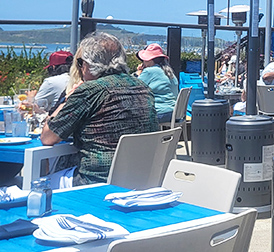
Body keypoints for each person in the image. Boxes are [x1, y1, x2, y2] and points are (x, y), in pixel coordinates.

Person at [41, 32, 158, 184]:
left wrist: (67, 100)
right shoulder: (143, 88)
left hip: (96, 180)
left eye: (81, 63)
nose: (80, 68)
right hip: (140, 178)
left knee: (38, 184)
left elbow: (47, 137)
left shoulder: (91, 90)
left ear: (90, 64)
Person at [136, 43, 179, 124]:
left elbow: (134, 87)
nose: (143, 62)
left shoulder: (149, 71)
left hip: (160, 113)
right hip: (174, 112)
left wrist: (138, 73)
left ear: (150, 60)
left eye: (144, 60)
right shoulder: (169, 71)